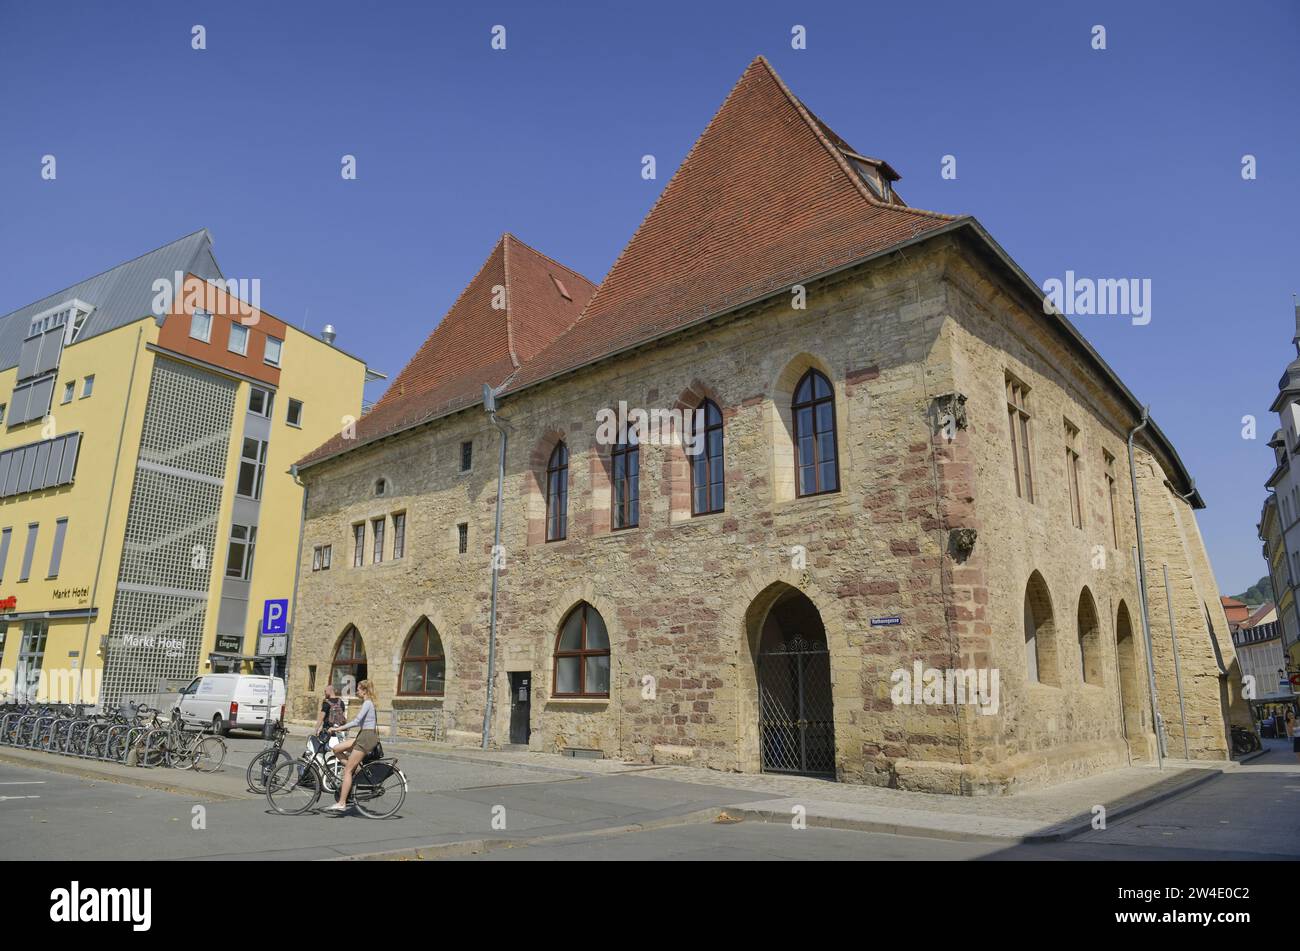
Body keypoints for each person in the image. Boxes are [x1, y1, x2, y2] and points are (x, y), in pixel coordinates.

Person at [325, 680, 379, 813]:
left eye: (359, 689)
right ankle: (356, 769)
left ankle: (342, 802)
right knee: (336, 749)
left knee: (347, 771)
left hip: (366, 738)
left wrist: (337, 729)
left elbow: (356, 722)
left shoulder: (367, 703)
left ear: (365, 691)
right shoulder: (366, 703)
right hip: (363, 735)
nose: (357, 691)